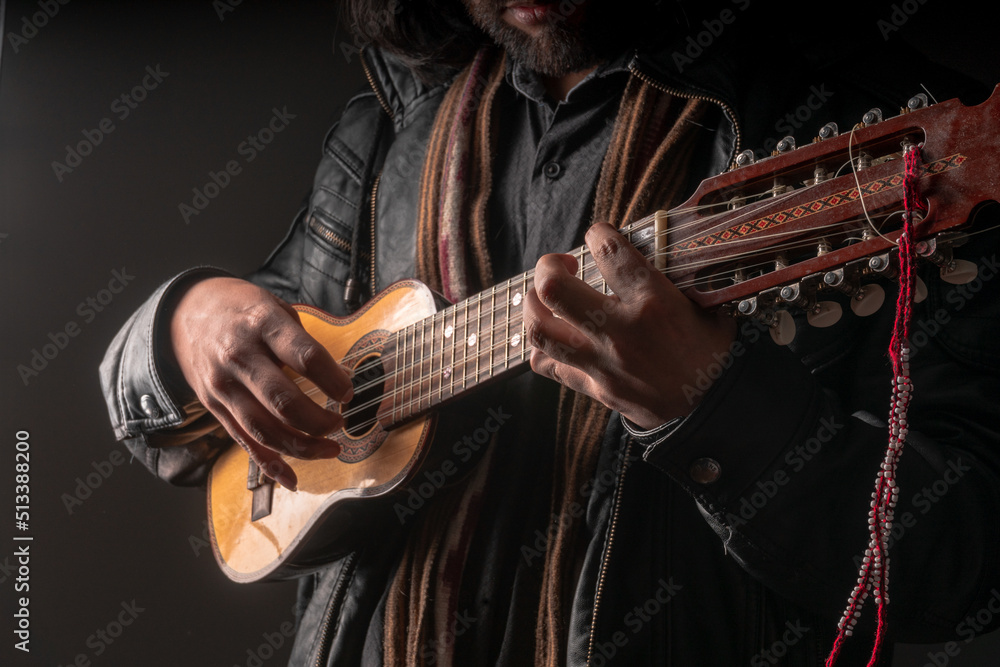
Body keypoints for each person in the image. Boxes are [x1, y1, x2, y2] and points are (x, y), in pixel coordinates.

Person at [100, 1, 1000, 664]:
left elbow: (964, 564)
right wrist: (187, 322)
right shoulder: (385, 141)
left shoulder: (839, 122)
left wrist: (713, 404)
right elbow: (176, 437)